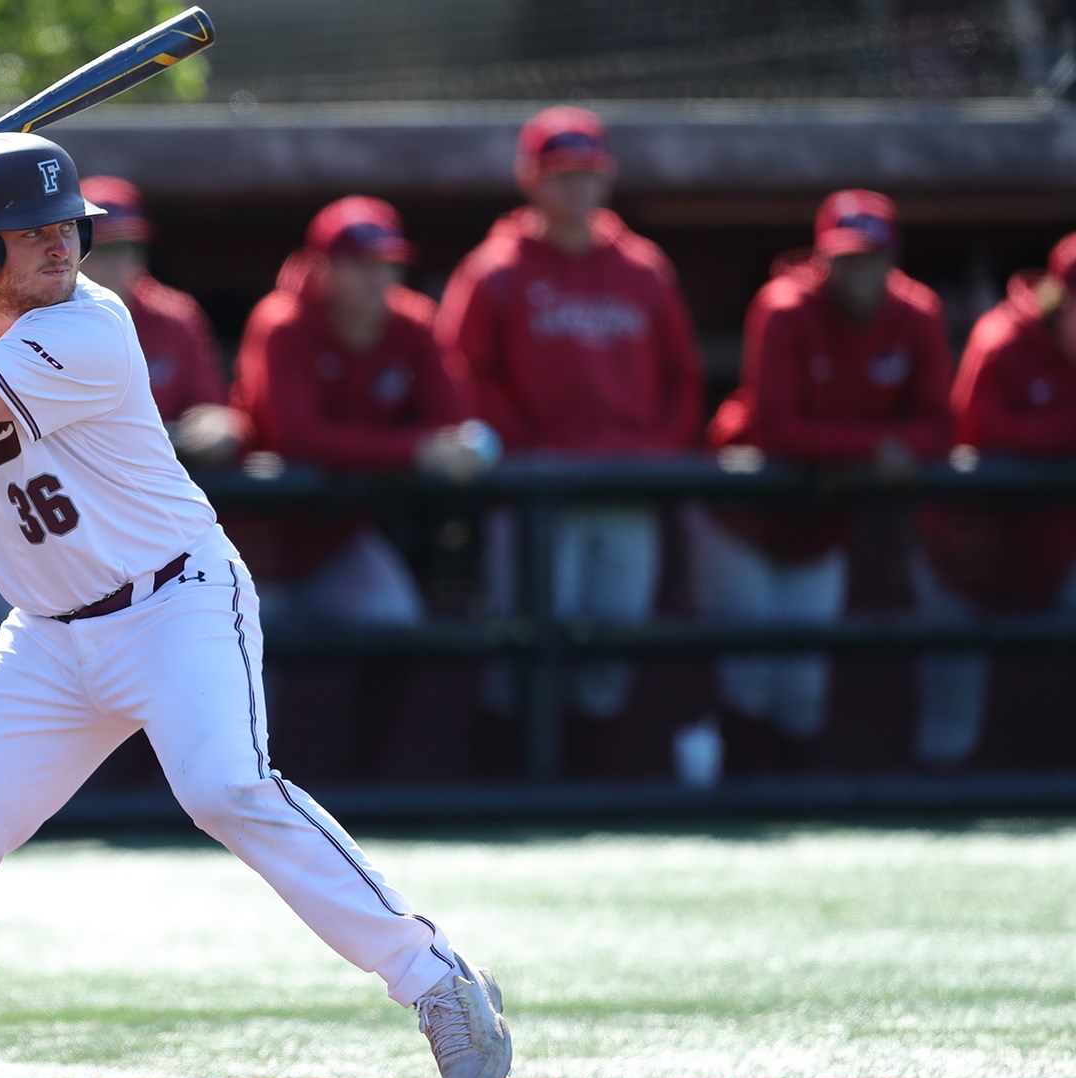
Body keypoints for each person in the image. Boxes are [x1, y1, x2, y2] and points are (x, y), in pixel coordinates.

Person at [0, 133, 512, 1078]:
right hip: (49, 638)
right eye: (30, 232)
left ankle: (436, 976)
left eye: (67, 226)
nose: (60, 246)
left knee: (225, 785)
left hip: (175, 601)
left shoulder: (90, 329)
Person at [436, 105, 704, 773]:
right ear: (532, 180)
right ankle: (502, 792)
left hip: (624, 488)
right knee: (520, 648)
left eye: (588, 173)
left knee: (609, 651)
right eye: (561, 175)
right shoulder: (496, 269)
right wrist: (527, 451)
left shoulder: (643, 268)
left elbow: (683, 376)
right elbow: (460, 372)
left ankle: (591, 790)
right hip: (537, 495)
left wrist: (656, 453)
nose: (576, 189)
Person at [694, 191, 953, 772]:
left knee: (804, 683)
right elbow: (778, 428)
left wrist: (869, 454)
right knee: (749, 674)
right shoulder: (785, 306)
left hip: (821, 523)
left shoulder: (917, 314)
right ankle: (745, 812)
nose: (858, 272)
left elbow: (940, 425)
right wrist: (875, 451)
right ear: (821, 256)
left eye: (871, 258)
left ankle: (794, 815)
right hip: (744, 515)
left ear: (892, 259)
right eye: (845, 257)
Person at [233, 195, 495, 630]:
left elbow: (451, 424)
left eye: (387, 264)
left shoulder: (412, 322)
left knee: (394, 621)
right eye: (360, 265)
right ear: (322, 267)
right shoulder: (281, 323)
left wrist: (423, 449)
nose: (378, 279)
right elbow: (296, 439)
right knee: (248, 661)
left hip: (339, 535)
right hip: (259, 536)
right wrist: (413, 450)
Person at [915, 232, 1076, 765]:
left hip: (1053, 554)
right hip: (967, 556)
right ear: (1062, 300)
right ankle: (931, 830)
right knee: (949, 723)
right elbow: (972, 431)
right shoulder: (1002, 338)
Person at [75, 175, 245, 468]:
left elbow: (214, 412)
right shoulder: (44, 318)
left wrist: (211, 427)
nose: (119, 263)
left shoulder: (175, 316)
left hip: (155, 478)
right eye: (103, 249)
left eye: (128, 246)